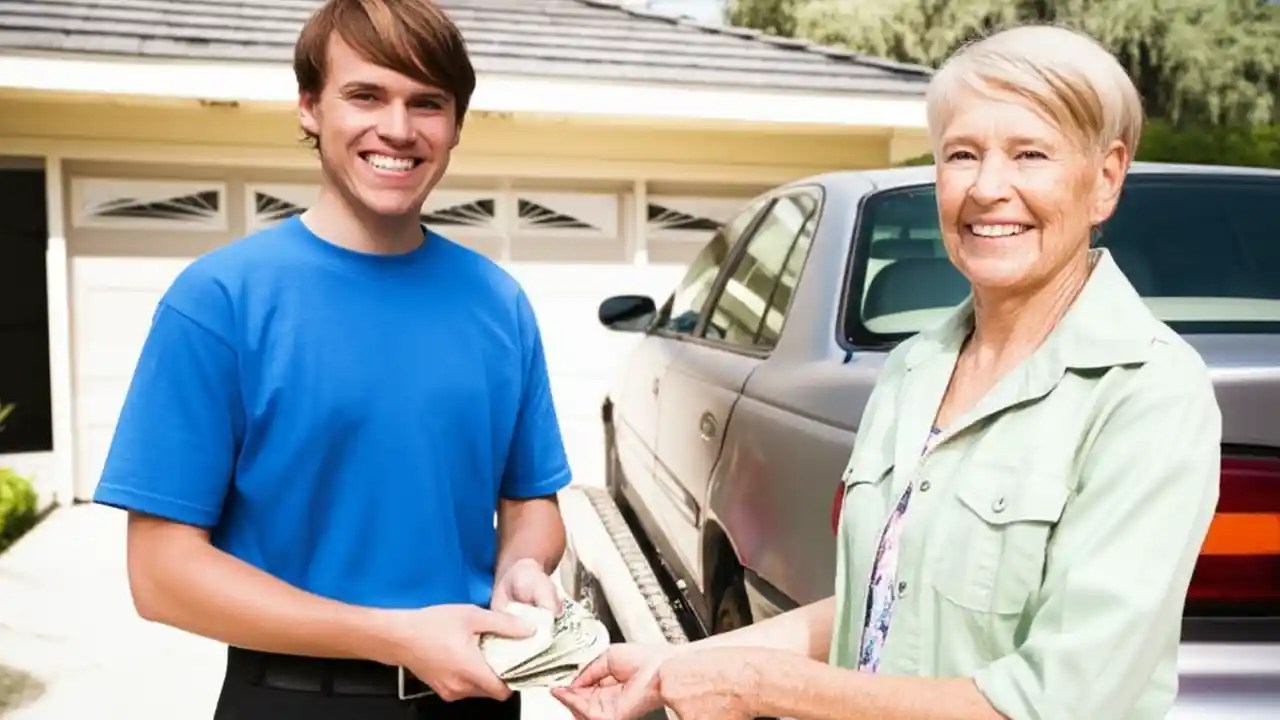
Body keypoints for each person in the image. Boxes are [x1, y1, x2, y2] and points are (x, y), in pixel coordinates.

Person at [553, 23, 1221, 720]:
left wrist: (757, 687)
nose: (988, 187)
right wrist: (674, 667)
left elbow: (1054, 704)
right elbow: (880, 601)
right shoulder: (913, 369)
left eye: (1030, 154)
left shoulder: (1147, 393)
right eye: (962, 154)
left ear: (1105, 179)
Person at [92, 1, 574, 718]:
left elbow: (531, 499)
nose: (399, 129)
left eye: (427, 103)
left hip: (479, 694)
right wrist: (394, 637)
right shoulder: (219, 301)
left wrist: (522, 565)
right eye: (366, 95)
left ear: (456, 125)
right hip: (295, 701)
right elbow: (161, 575)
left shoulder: (498, 302)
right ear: (310, 107)